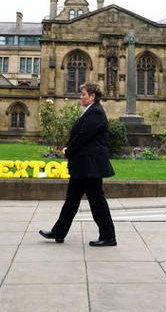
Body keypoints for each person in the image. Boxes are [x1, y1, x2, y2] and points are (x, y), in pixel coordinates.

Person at [40, 82, 116, 246]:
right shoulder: (90, 111)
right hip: (83, 165)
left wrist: (68, 150)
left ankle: (108, 236)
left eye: (83, 94)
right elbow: (80, 134)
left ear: (92, 96)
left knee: (96, 201)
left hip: (90, 165)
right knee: (72, 200)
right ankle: (58, 232)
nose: (80, 97)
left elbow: (83, 136)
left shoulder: (95, 112)